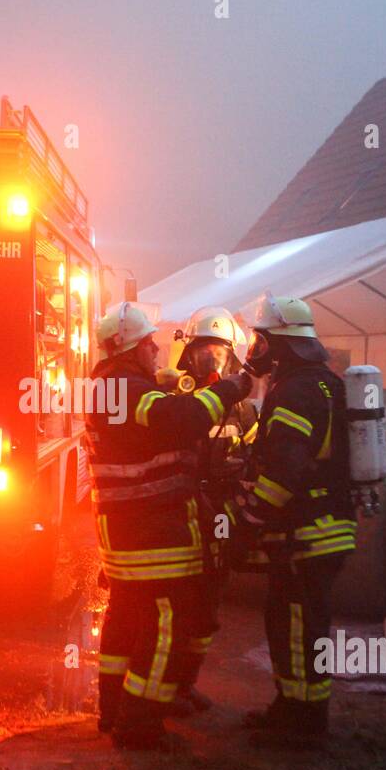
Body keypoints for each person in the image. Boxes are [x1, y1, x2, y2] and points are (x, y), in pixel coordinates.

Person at [89, 302, 253, 749]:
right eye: (149, 342)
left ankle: (113, 711)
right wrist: (230, 389)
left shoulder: (110, 384)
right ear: (134, 346)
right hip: (150, 532)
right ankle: (139, 726)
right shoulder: (126, 386)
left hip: (128, 530)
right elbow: (179, 420)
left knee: (124, 620)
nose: (156, 349)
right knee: (166, 625)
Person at [235, 295, 356, 749]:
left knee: (299, 627)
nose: (254, 349)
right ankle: (291, 708)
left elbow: (285, 472)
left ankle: (303, 723)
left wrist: (247, 519)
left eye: (260, 340)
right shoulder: (326, 384)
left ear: (279, 344)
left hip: (306, 533)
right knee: (293, 622)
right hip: (323, 529)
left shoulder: (294, 391)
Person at [168, 306, 259, 715]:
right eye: (203, 351)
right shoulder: (176, 400)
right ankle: (163, 687)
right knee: (175, 603)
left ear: (232, 356)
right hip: (182, 509)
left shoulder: (243, 410)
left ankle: (185, 682)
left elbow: (253, 459)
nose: (211, 361)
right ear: (189, 353)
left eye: (218, 353)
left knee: (208, 603)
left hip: (222, 512)